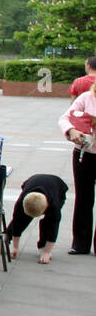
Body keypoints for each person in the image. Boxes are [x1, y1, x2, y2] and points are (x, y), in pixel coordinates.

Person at [60, 87, 96, 253]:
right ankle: (80, 244)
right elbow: (65, 118)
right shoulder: (87, 97)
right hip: (85, 154)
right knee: (83, 198)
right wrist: (71, 130)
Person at [7, 173, 67, 264]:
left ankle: (43, 246)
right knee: (22, 219)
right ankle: (6, 238)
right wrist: (15, 248)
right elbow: (17, 222)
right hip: (31, 181)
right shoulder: (20, 202)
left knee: (49, 221)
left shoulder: (54, 206)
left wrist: (47, 252)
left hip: (59, 187)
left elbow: (54, 229)